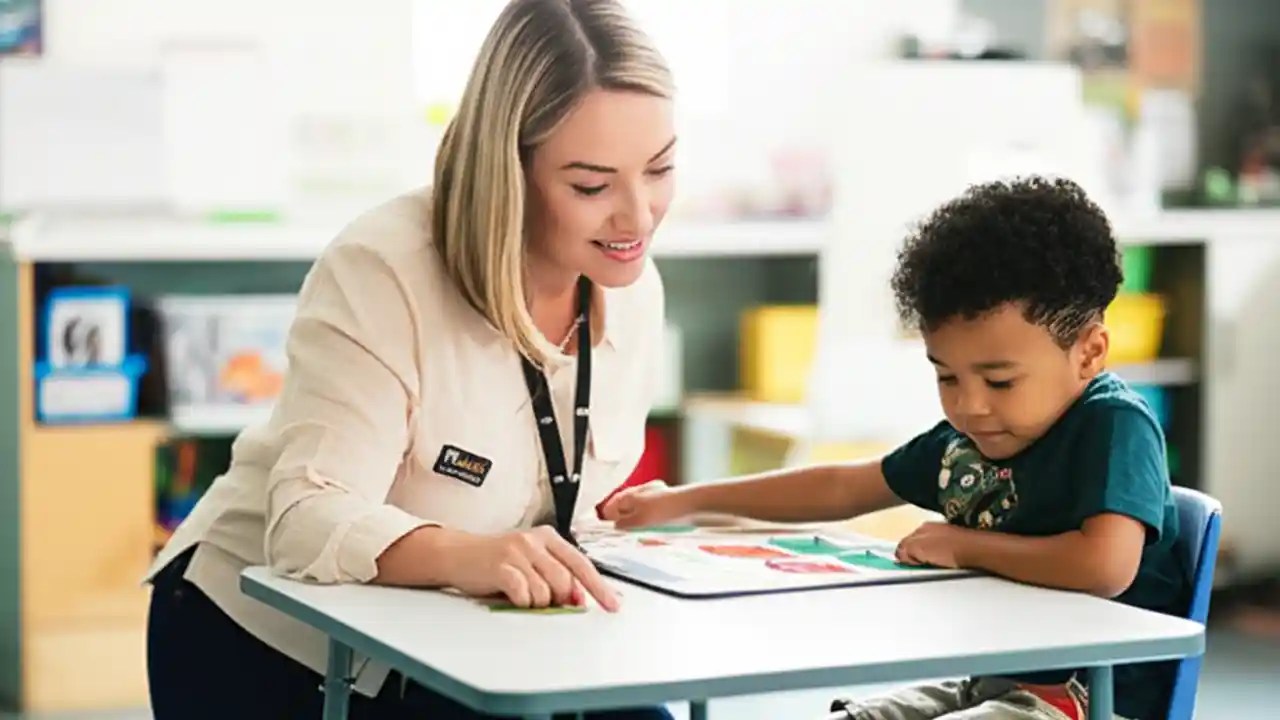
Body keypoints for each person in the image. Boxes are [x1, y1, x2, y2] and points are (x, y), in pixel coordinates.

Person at [145, 1, 677, 718]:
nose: (639, 216)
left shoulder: (634, 292)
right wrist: (471, 554)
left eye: (660, 169)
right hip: (267, 641)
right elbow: (305, 519)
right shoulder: (384, 268)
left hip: (465, 638)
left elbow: (566, 491)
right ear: (508, 171)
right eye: (592, 186)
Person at [601, 177, 1190, 720]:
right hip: (990, 685)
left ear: (1089, 353)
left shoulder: (1114, 425)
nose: (970, 406)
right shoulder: (969, 443)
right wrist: (683, 501)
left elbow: (1105, 566)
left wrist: (964, 545)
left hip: (1090, 701)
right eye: (947, 376)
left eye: (1000, 381)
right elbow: (842, 487)